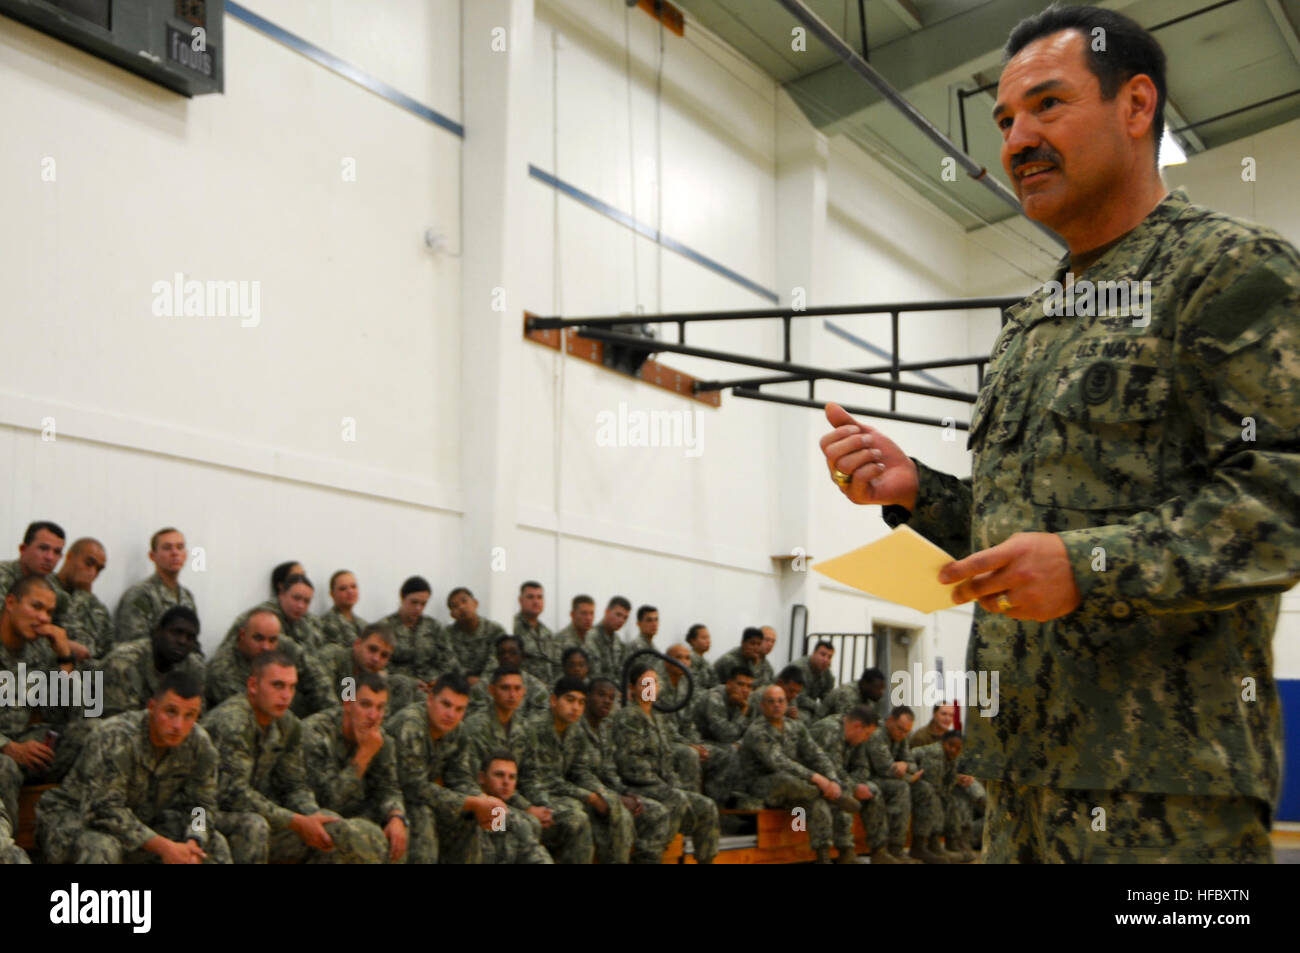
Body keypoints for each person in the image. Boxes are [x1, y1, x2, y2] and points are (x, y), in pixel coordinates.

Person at [820, 4, 1300, 864]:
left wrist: (1089, 565)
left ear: (1136, 104)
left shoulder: (1227, 270)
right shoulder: (1035, 318)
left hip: (1167, 792)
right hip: (1016, 776)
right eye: (1006, 119)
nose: (1018, 139)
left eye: (1047, 104)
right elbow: (1023, 535)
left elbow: (1282, 499)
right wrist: (918, 491)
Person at [204, 650, 386, 863]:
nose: (286, 695)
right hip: (204, 814)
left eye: (291, 687)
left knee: (331, 827)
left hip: (257, 811)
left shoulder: (288, 724)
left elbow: (294, 786)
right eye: (278, 685)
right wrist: (295, 821)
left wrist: (312, 815)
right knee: (254, 826)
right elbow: (234, 794)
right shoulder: (233, 721)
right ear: (253, 685)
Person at [37, 670, 231, 864]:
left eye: (190, 715)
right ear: (152, 707)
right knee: (102, 847)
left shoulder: (199, 745)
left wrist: (194, 840)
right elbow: (104, 810)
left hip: (139, 823)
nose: (178, 725)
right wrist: (164, 847)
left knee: (213, 844)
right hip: (75, 820)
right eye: (171, 712)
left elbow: (201, 806)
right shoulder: (116, 737)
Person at [389, 672, 506, 863]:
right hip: (392, 796)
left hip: (425, 796)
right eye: (446, 705)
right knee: (423, 816)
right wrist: (470, 802)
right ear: (430, 699)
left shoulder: (457, 731)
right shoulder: (411, 724)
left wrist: (483, 800)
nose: (451, 714)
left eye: (459, 709)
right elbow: (414, 788)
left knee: (473, 817)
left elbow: (460, 778)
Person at [608, 665, 719, 864]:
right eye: (645, 683)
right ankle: (647, 857)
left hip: (662, 785)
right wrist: (664, 785)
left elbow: (667, 759)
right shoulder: (628, 717)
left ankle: (706, 860)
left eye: (655, 683)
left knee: (707, 806)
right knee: (676, 798)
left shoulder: (659, 718)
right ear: (632, 688)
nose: (651, 688)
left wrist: (673, 783)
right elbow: (630, 764)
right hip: (637, 786)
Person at [737, 685, 859, 864]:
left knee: (817, 802)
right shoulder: (757, 731)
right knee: (788, 780)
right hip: (760, 785)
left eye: (781, 701)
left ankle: (824, 856)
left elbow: (816, 755)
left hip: (799, 788)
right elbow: (779, 763)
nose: (776, 705)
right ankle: (833, 796)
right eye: (771, 701)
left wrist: (832, 779)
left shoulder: (796, 727)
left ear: (787, 704)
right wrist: (819, 780)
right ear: (762, 706)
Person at [519, 675, 632, 864]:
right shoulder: (533, 729)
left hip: (559, 793)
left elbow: (580, 772)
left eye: (581, 702)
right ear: (553, 700)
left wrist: (601, 793)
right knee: (577, 818)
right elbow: (537, 781)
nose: (576, 707)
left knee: (614, 806)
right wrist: (589, 797)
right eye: (570, 700)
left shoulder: (575, 730)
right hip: (535, 797)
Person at [0, 575, 89, 815]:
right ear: (11, 603)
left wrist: (64, 658)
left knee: (91, 733)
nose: (43, 619)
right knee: (4, 766)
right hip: (5, 752)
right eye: (36, 607)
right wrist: (8, 746)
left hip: (24, 743)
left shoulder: (39, 648)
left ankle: (68, 824)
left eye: (49, 612)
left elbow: (71, 715)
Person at [300, 671, 408, 863]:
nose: (373, 716)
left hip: (358, 815)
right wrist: (364, 755)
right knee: (354, 835)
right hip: (316, 819)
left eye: (380, 707)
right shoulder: (315, 733)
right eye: (365, 705)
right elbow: (327, 801)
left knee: (398, 834)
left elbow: (389, 788)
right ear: (348, 704)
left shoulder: (381, 739)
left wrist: (396, 817)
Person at [579, 676, 665, 864]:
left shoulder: (604, 729)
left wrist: (626, 793)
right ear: (588, 697)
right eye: (601, 695)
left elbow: (609, 772)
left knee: (657, 812)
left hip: (607, 794)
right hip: (585, 796)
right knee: (622, 817)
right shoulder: (576, 728)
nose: (607, 701)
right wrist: (615, 798)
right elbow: (579, 775)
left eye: (611, 697)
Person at [811, 706, 897, 864]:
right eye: (867, 734)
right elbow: (830, 769)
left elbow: (862, 767)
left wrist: (856, 785)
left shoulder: (857, 738)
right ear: (857, 726)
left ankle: (878, 850)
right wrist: (853, 787)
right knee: (844, 795)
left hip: (843, 781)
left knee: (873, 790)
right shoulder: (829, 730)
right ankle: (846, 851)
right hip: (820, 782)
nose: (866, 738)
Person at [863, 706, 947, 863]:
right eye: (900, 729)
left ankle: (919, 844)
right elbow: (885, 769)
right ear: (890, 721)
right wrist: (909, 777)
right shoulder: (877, 735)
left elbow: (912, 764)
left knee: (925, 789)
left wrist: (905, 765)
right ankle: (895, 848)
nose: (902, 734)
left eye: (906, 731)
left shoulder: (902, 737)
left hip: (896, 779)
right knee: (901, 788)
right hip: (872, 778)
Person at [100, 605, 207, 718]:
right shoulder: (124, 662)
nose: (182, 641)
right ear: (158, 631)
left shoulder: (193, 669)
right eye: (176, 632)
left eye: (190, 637)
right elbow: (119, 721)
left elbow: (195, 718)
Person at [312, 623, 420, 722]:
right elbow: (325, 702)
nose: (376, 659)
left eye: (384, 655)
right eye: (372, 649)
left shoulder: (375, 678)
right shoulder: (334, 656)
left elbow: (379, 718)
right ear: (357, 644)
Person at [114, 528, 196, 650]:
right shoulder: (140, 596)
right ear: (152, 556)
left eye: (180, 547)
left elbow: (192, 642)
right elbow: (133, 643)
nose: (175, 553)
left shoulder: (187, 597)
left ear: (186, 554)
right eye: (167, 548)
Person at [912, 731, 980, 863]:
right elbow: (934, 783)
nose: (953, 750)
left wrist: (957, 780)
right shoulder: (935, 754)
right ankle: (927, 844)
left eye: (958, 748)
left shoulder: (952, 757)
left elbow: (948, 783)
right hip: (914, 782)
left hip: (928, 786)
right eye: (950, 745)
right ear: (943, 743)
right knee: (935, 799)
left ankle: (952, 842)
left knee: (952, 800)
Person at [377, 576, 459, 683]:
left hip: (433, 685)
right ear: (402, 598)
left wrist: (437, 680)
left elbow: (448, 659)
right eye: (414, 602)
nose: (418, 608)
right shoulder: (384, 627)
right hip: (400, 685)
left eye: (423, 604)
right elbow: (379, 663)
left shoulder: (434, 626)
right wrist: (410, 682)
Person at [478, 753, 553, 864]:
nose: (506, 782)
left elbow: (535, 855)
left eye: (511, 777)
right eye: (499, 775)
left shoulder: (518, 821)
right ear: (482, 778)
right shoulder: (469, 815)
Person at [693, 669, 754, 805]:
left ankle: (739, 799)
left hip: (722, 743)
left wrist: (739, 743)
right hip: (699, 741)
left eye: (749, 686)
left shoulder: (747, 700)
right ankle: (717, 802)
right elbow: (725, 735)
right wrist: (743, 712)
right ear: (729, 684)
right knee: (730, 752)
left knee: (749, 750)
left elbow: (751, 732)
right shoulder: (714, 698)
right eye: (740, 684)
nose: (745, 690)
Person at [50, 538, 111, 659]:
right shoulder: (43, 590)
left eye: (99, 569)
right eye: (88, 563)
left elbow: (108, 651)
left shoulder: (97, 607)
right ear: (69, 557)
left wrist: (84, 597)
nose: (92, 572)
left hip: (91, 669)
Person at [466, 635, 549, 717]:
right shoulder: (482, 686)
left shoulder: (536, 687)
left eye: (513, 653)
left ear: (522, 656)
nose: (506, 656)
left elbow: (541, 719)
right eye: (502, 653)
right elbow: (474, 717)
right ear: (497, 657)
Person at [445, 586, 506, 685]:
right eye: (455, 606)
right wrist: (466, 678)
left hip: (491, 683)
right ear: (452, 614)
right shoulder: (446, 635)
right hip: (459, 684)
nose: (461, 607)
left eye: (464, 601)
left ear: (475, 603)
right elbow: (450, 662)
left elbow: (496, 660)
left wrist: (482, 682)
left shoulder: (495, 630)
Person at [0, 520, 64, 607]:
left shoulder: (54, 586)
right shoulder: (3, 576)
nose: (50, 557)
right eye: (43, 548)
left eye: (57, 552)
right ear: (23, 549)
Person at [514, 581, 562, 683]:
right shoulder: (512, 628)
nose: (536, 601)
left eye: (539, 597)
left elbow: (557, 664)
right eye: (530, 597)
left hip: (550, 688)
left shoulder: (547, 633)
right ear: (520, 600)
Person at [317, 570, 367, 650]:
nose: (350, 591)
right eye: (343, 588)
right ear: (332, 594)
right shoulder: (325, 624)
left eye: (353, 586)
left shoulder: (364, 625)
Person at [585, 596, 631, 680]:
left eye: (625, 618)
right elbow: (595, 674)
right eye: (618, 615)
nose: (621, 620)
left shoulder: (618, 641)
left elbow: (622, 672)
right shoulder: (592, 637)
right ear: (607, 612)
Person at [818, 667, 886, 719]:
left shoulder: (869, 698)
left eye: (882, 688)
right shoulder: (847, 694)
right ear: (865, 684)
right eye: (877, 688)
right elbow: (848, 723)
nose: (881, 692)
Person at [793, 641, 836, 710]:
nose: (826, 660)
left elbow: (828, 697)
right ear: (814, 653)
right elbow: (799, 697)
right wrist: (820, 708)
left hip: (811, 708)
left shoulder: (827, 673)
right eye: (823, 655)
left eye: (829, 657)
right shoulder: (798, 668)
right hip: (793, 706)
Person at [684, 624, 717, 691]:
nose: (708, 641)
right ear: (693, 641)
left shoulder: (706, 663)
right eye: (704, 638)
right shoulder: (688, 660)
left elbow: (715, 683)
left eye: (708, 638)